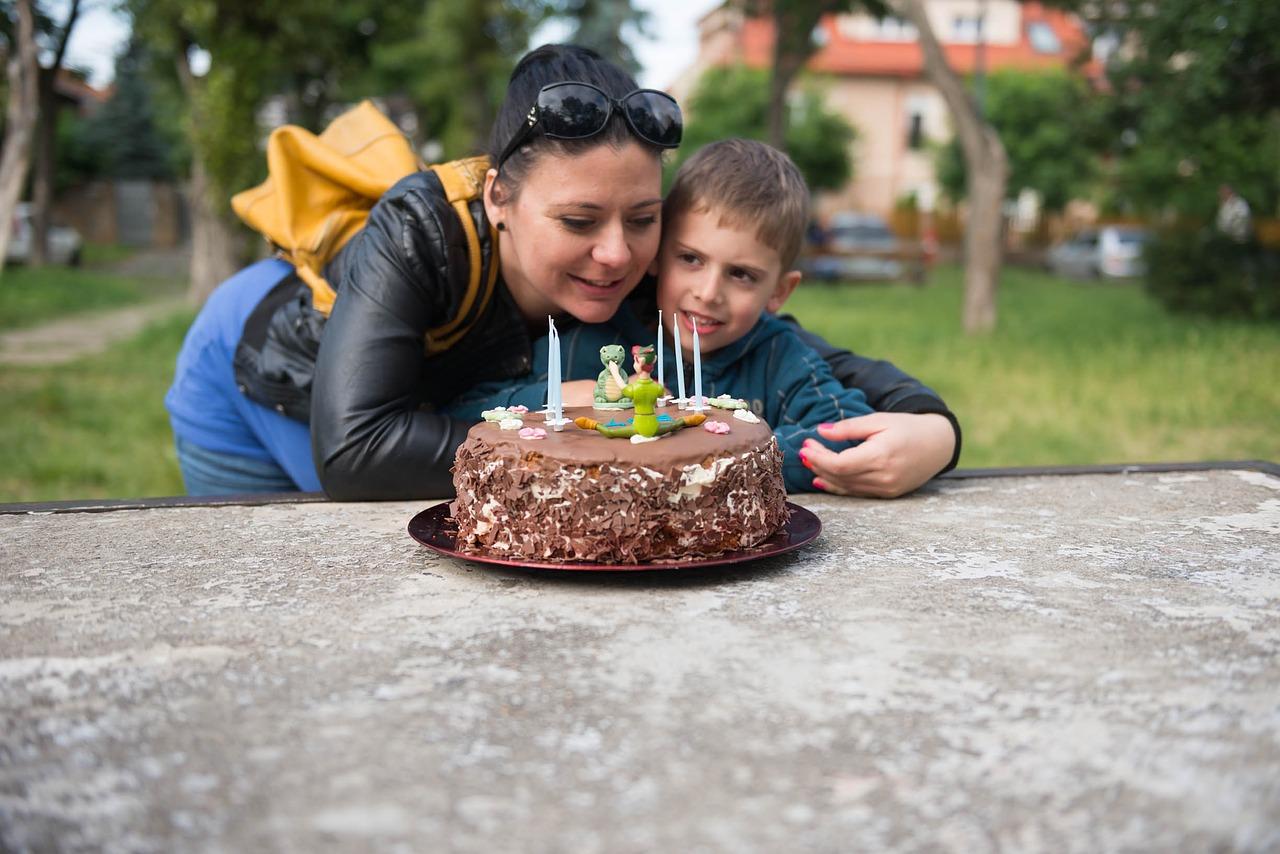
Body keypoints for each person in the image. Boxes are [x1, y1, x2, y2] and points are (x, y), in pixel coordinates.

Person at [167, 44, 953, 500]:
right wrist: (562, 427)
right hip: (264, 382)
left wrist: (935, 433)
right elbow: (357, 454)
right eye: (578, 222)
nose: (616, 254)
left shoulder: (647, 267)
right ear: (499, 197)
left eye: (644, 221)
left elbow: (797, 350)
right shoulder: (420, 229)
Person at [446, 139, 959, 494]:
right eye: (690, 259)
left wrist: (713, 446)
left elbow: (848, 436)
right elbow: (473, 409)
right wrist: (562, 396)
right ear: (655, 259)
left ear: (780, 291)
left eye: (741, 274)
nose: (708, 292)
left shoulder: (782, 360)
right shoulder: (600, 347)